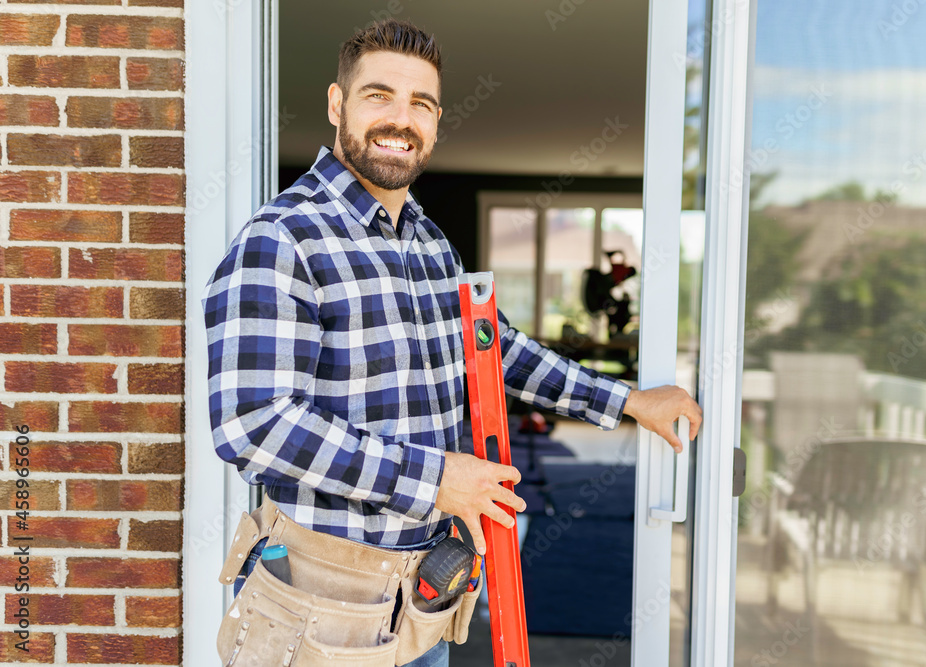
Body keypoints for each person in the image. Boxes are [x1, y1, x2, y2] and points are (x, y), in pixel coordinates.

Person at [203, 18, 702, 667]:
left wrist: (629, 401)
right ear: (337, 103)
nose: (400, 119)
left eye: (422, 104)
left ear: (437, 123)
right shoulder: (282, 238)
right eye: (378, 95)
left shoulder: (429, 243)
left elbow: (496, 352)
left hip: (423, 596)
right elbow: (254, 424)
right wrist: (436, 478)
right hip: (320, 604)